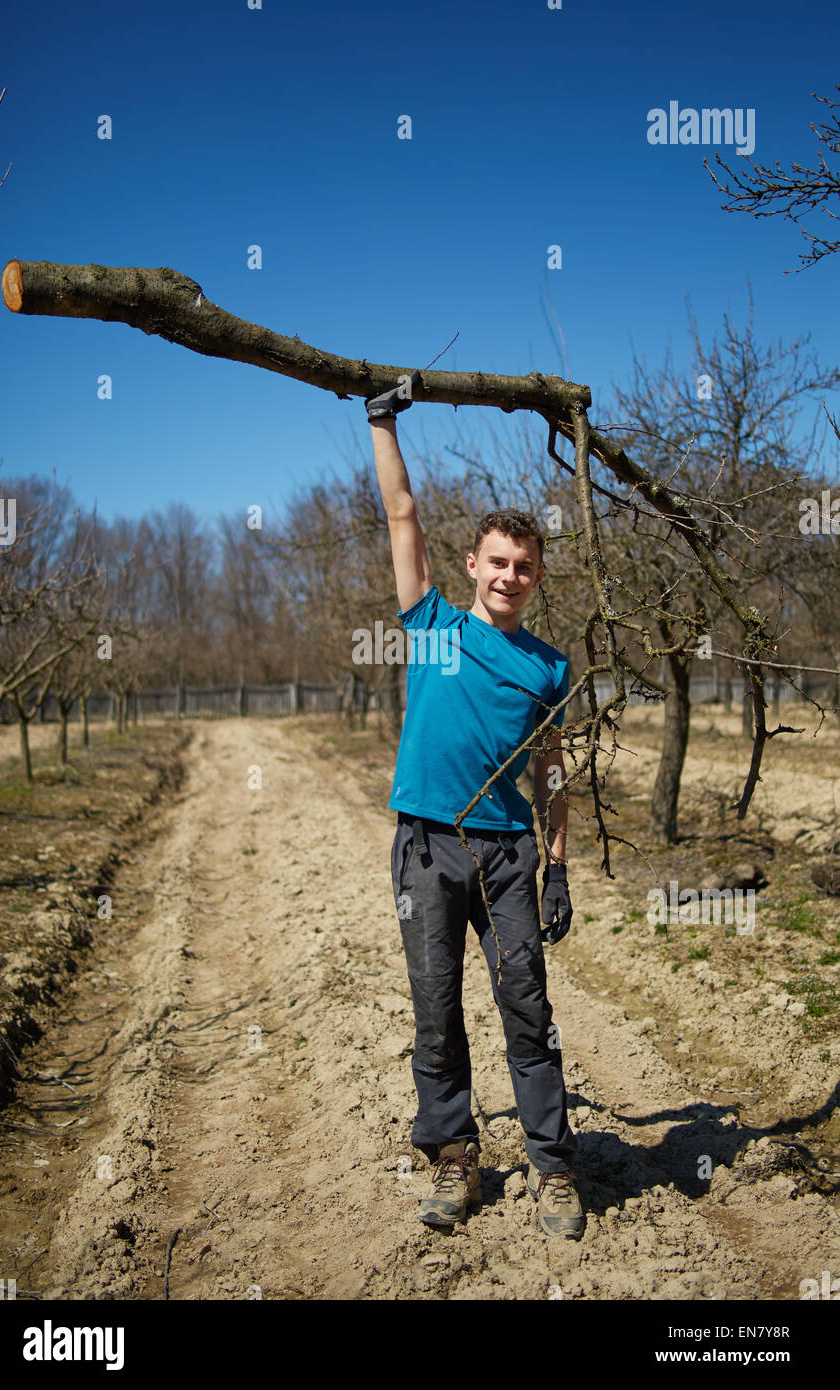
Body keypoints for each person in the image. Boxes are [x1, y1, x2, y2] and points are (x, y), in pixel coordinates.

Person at [366, 373, 585, 1240]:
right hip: (427, 847)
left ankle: (554, 1167)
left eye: (523, 566)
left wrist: (559, 867)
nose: (509, 574)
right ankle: (453, 1162)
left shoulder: (549, 668)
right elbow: (400, 516)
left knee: (526, 1007)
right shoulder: (430, 626)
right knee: (435, 1007)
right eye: (496, 561)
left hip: (505, 856)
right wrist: (382, 421)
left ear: (536, 577)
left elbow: (554, 772)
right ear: (472, 567)